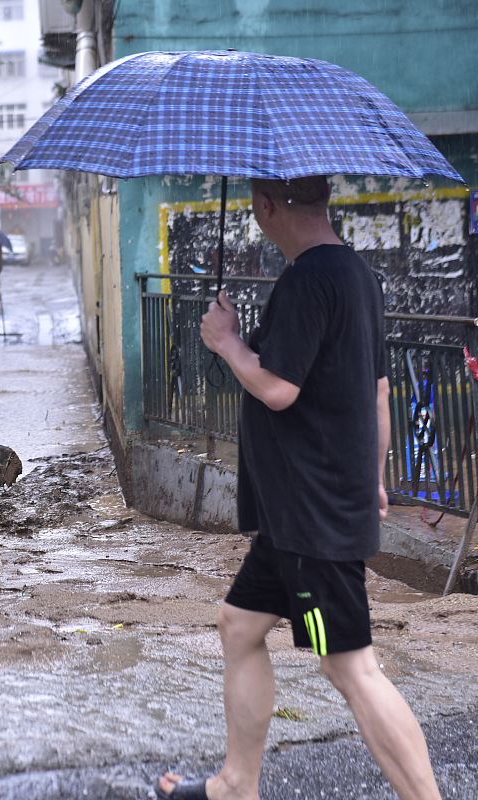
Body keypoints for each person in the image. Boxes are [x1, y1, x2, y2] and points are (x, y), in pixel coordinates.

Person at [157, 176, 440, 800]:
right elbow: (378, 393)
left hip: (312, 520)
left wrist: (227, 343)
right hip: (298, 518)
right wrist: (373, 477)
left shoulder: (307, 281)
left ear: (264, 206)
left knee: (347, 664)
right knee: (238, 624)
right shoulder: (356, 276)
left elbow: (279, 387)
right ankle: (236, 783)